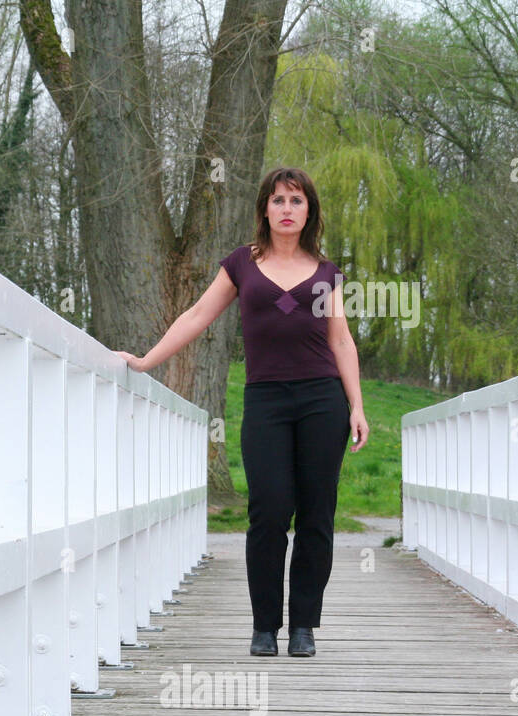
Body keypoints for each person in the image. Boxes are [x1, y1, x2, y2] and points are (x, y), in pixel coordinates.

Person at [114, 166, 369, 658]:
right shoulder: (241, 265)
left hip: (323, 400)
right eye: (278, 201)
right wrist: (146, 361)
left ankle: (304, 627)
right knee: (269, 510)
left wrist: (356, 405)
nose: (287, 209)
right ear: (264, 209)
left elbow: (341, 339)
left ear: (309, 210)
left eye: (297, 201)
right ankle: (264, 625)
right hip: (266, 401)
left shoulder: (326, 272)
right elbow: (197, 315)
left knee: (317, 513)